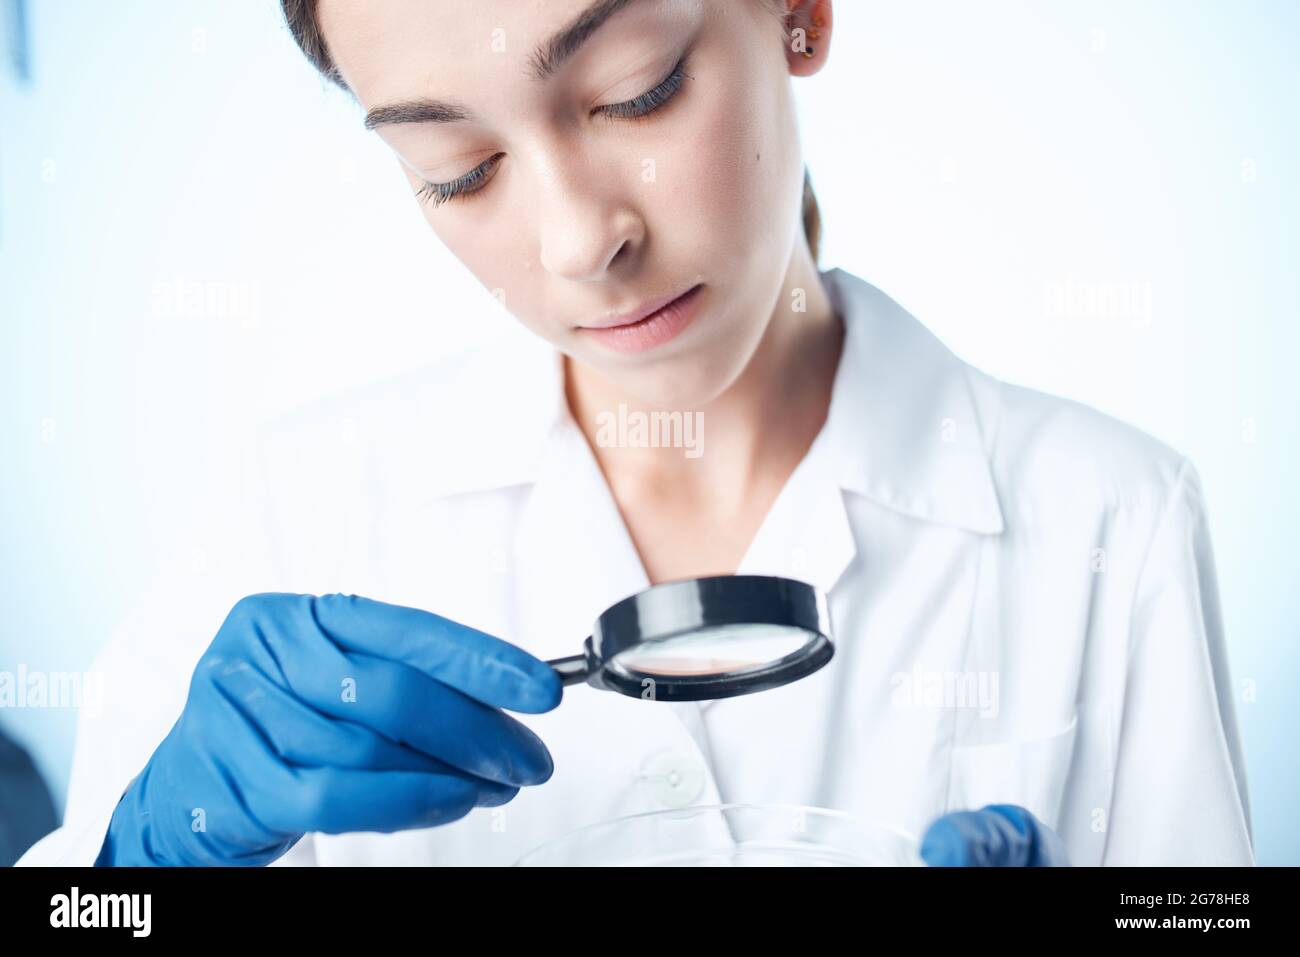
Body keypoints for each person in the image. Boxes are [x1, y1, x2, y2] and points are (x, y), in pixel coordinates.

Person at [18, 0, 1252, 867]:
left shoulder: (1108, 515)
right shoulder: (301, 506)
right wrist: (143, 862)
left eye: (635, 92)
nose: (576, 243)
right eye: (459, 169)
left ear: (796, 11)